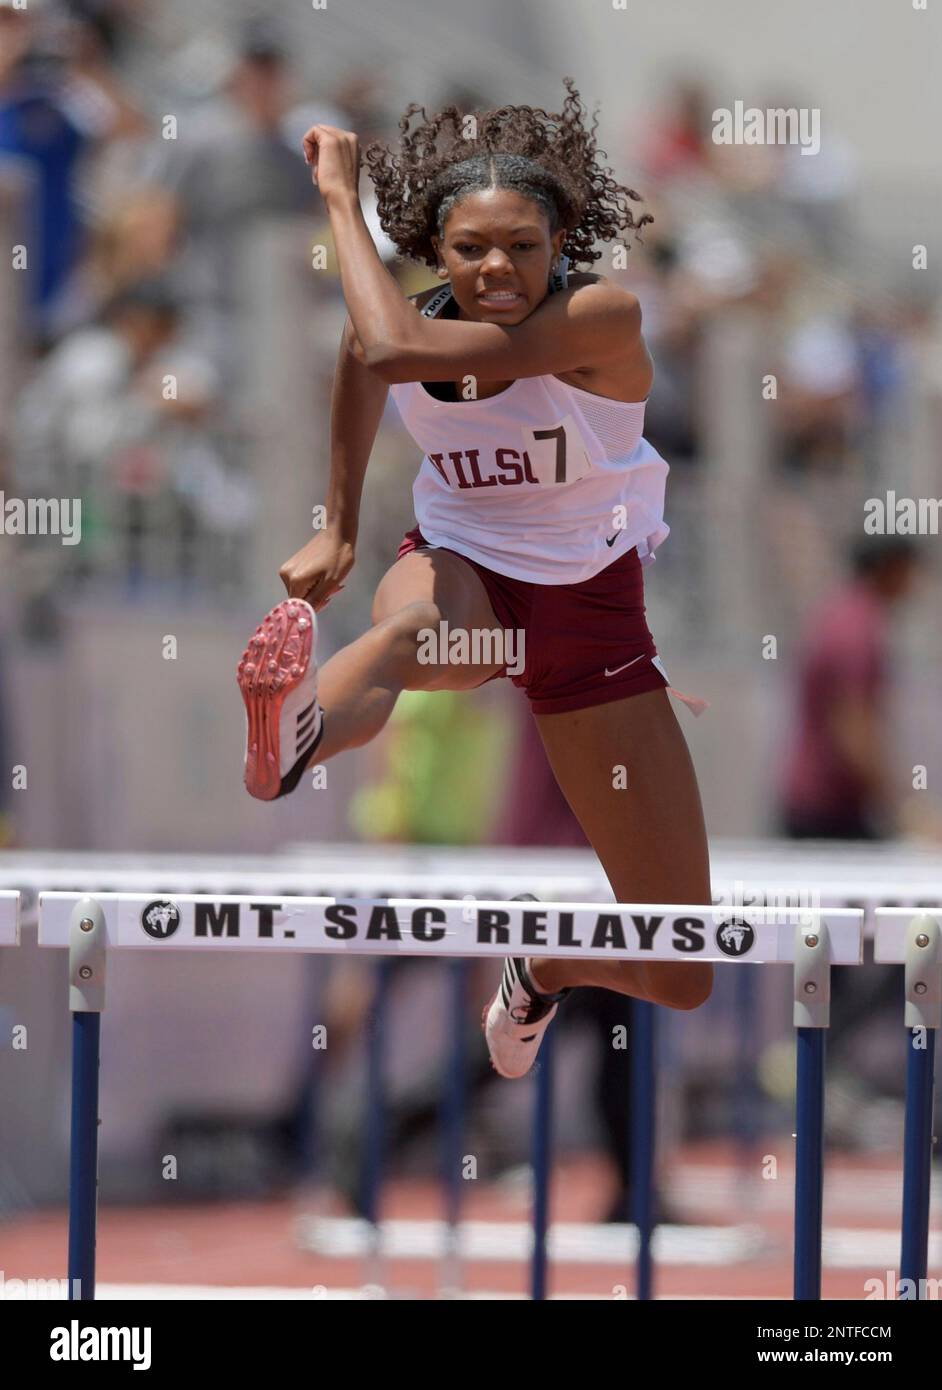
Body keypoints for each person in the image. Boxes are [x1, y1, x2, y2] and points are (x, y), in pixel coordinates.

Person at [237, 78, 714, 1080]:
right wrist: (338, 527)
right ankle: (292, 739)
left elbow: (386, 346)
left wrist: (342, 200)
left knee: (681, 966)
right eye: (470, 249)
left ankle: (543, 966)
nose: (498, 268)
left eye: (522, 247)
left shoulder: (600, 316)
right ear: (436, 248)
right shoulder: (404, 326)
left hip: (595, 627)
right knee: (416, 640)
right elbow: (364, 357)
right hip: (466, 572)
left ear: (562, 241)